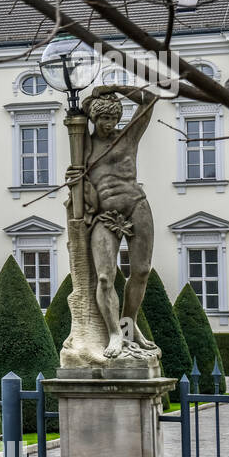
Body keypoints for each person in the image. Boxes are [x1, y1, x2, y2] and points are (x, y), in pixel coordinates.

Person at [69, 86, 160, 359]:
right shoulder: (83, 146)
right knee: (105, 277)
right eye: (103, 119)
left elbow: (150, 99)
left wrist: (116, 88)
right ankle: (114, 334)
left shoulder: (128, 137)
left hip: (136, 205)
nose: (109, 125)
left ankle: (128, 325)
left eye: (112, 119)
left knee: (141, 272)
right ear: (94, 120)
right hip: (104, 215)